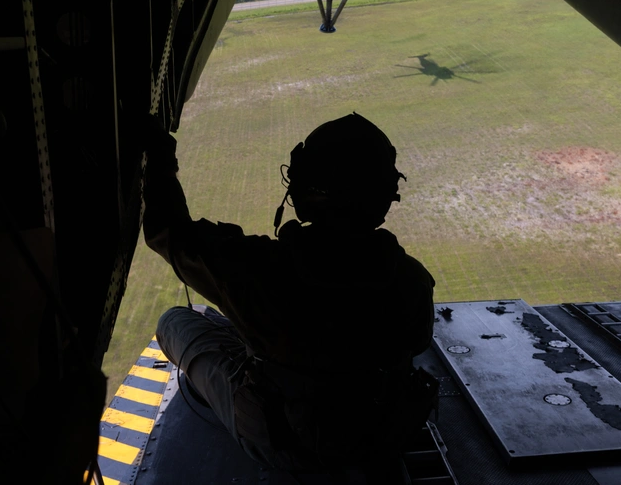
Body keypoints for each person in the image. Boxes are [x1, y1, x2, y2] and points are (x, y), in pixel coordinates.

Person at [142, 112, 437, 472]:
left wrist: (160, 157)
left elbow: (168, 232)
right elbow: (417, 343)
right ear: (384, 198)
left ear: (303, 191)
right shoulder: (412, 281)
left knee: (174, 321)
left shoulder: (258, 269)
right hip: (373, 442)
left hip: (282, 444)